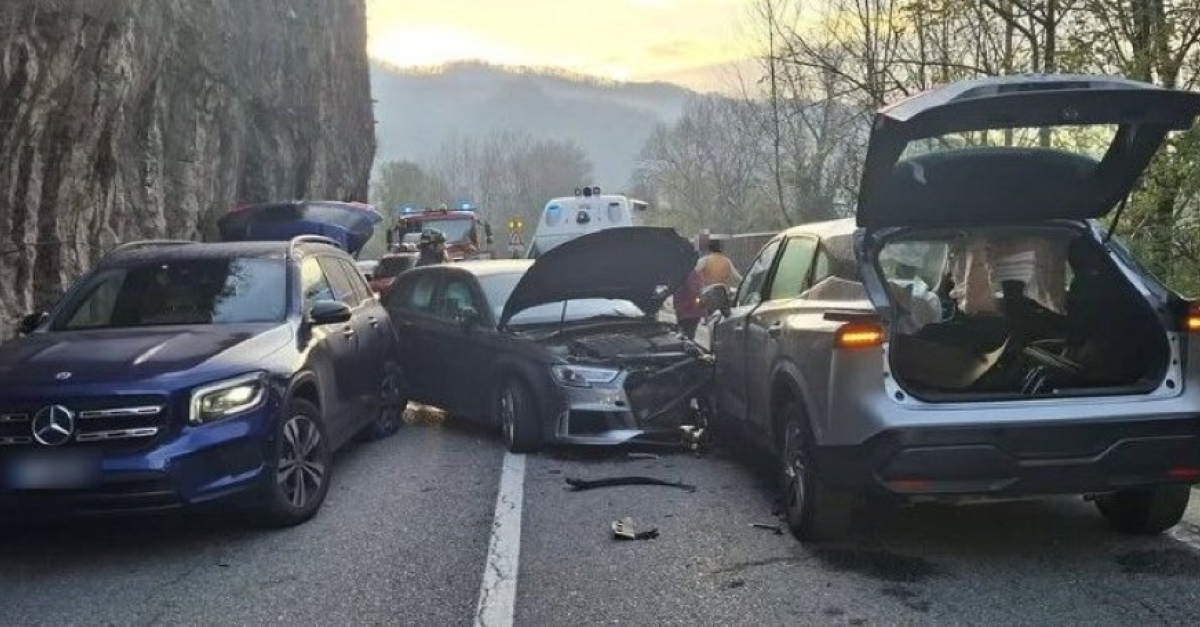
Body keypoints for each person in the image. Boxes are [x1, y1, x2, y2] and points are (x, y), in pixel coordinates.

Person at [672, 269, 704, 339]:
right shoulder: (692, 272)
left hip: (688, 309)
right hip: (688, 310)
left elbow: (695, 289)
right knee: (687, 334)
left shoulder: (688, 273)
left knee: (685, 334)